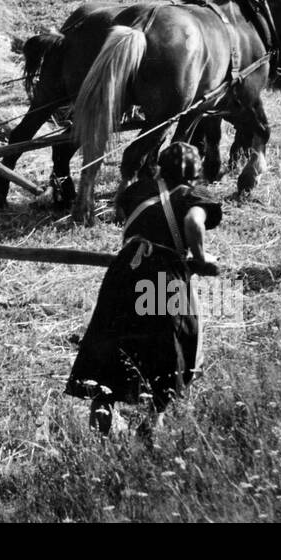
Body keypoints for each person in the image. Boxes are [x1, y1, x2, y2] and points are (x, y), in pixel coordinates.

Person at [66, 141, 222, 436]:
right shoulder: (192, 196)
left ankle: (102, 408)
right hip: (162, 275)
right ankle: (153, 422)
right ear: (194, 175)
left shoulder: (137, 190)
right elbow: (193, 222)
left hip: (125, 270)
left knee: (111, 335)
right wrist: (202, 258)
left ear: (160, 168)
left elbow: (123, 211)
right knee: (172, 341)